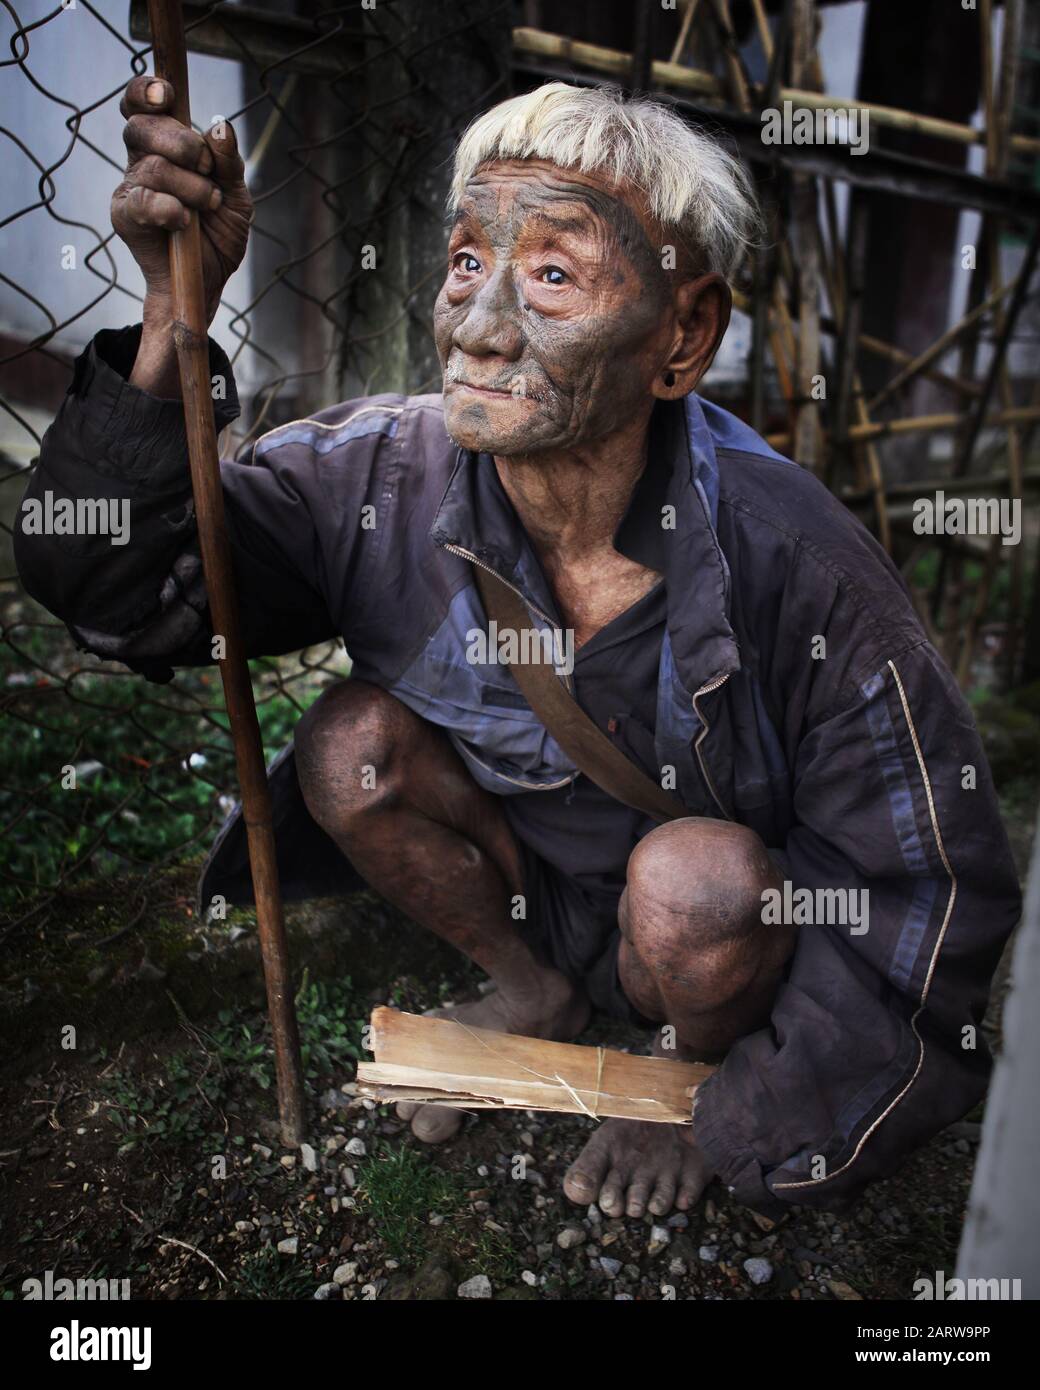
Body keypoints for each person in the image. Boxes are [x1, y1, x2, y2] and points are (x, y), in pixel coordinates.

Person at [17, 79, 1020, 1220]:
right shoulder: (374, 477)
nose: (480, 324)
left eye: (552, 274)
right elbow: (117, 585)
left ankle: (682, 1061)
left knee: (696, 885)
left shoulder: (798, 561)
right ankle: (530, 988)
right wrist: (170, 317)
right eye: (462, 263)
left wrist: (749, 1103)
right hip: (528, 887)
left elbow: (922, 892)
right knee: (349, 743)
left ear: (681, 335)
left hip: (704, 939)